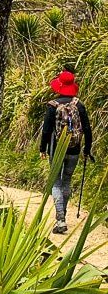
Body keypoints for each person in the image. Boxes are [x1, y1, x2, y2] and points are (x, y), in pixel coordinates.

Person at [40, 67, 93, 235]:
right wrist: (87, 149)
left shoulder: (52, 106)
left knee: (56, 182)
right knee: (67, 181)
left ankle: (60, 219)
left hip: (57, 149)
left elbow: (47, 131)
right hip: (75, 149)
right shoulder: (80, 105)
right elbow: (87, 129)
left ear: (59, 85)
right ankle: (63, 216)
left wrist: (43, 148)